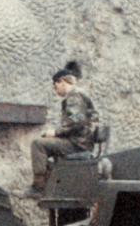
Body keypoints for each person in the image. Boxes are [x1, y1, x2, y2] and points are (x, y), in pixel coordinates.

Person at [27, 63, 97, 197]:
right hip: (82, 142)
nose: (56, 90)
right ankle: (51, 180)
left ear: (62, 81)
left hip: (77, 144)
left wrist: (55, 132)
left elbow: (77, 121)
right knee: (47, 144)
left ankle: (39, 188)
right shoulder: (80, 94)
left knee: (38, 144)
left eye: (56, 86)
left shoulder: (74, 96)